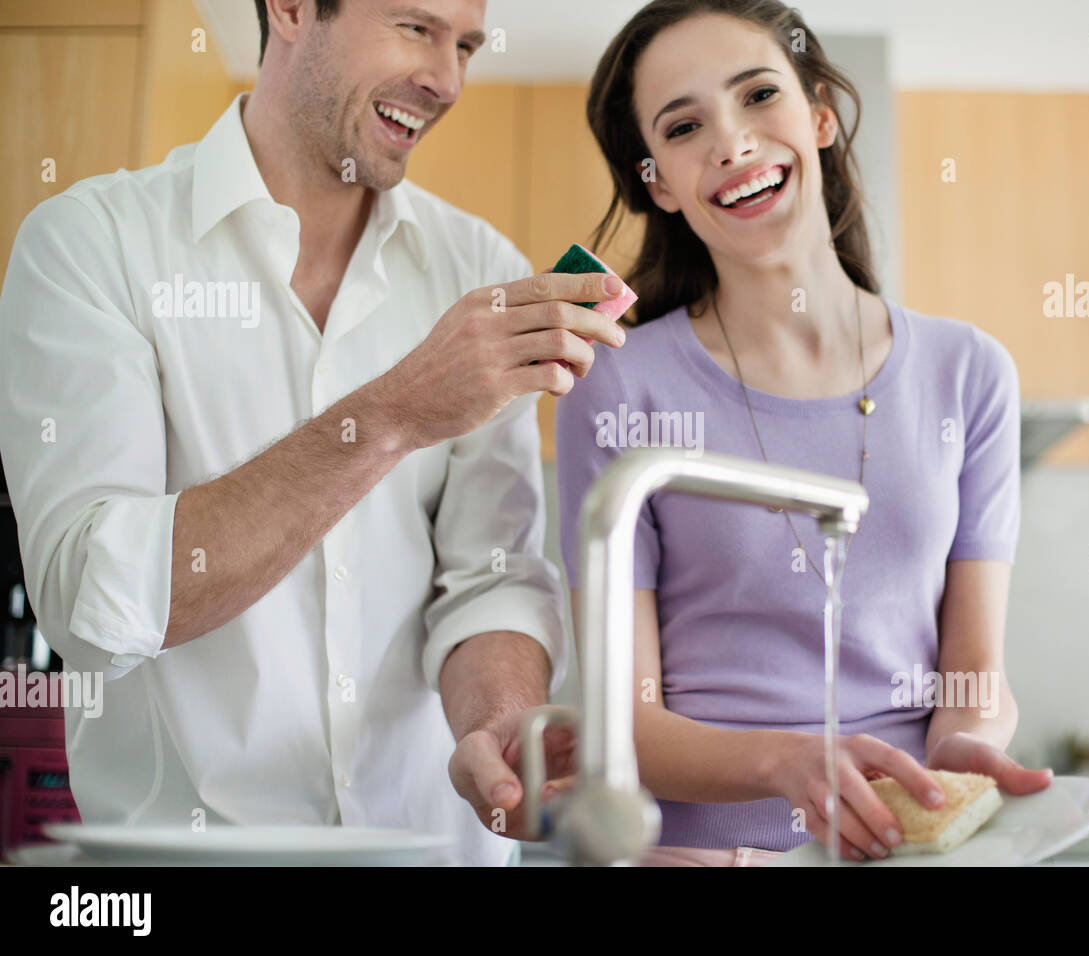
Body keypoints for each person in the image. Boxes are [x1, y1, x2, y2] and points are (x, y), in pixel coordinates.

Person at [0, 0, 624, 866]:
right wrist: (395, 413)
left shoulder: (480, 269)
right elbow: (89, 603)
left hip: (430, 854)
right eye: (415, 27)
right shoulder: (91, 247)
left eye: (467, 45)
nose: (447, 79)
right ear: (291, 9)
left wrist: (499, 727)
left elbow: (491, 578)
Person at [556, 0, 1052, 867]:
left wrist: (963, 751)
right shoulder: (619, 383)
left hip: (900, 849)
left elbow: (975, 671)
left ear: (818, 114)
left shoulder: (968, 373)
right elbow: (619, 718)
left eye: (757, 96)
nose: (733, 142)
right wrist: (786, 762)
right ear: (658, 182)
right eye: (684, 126)